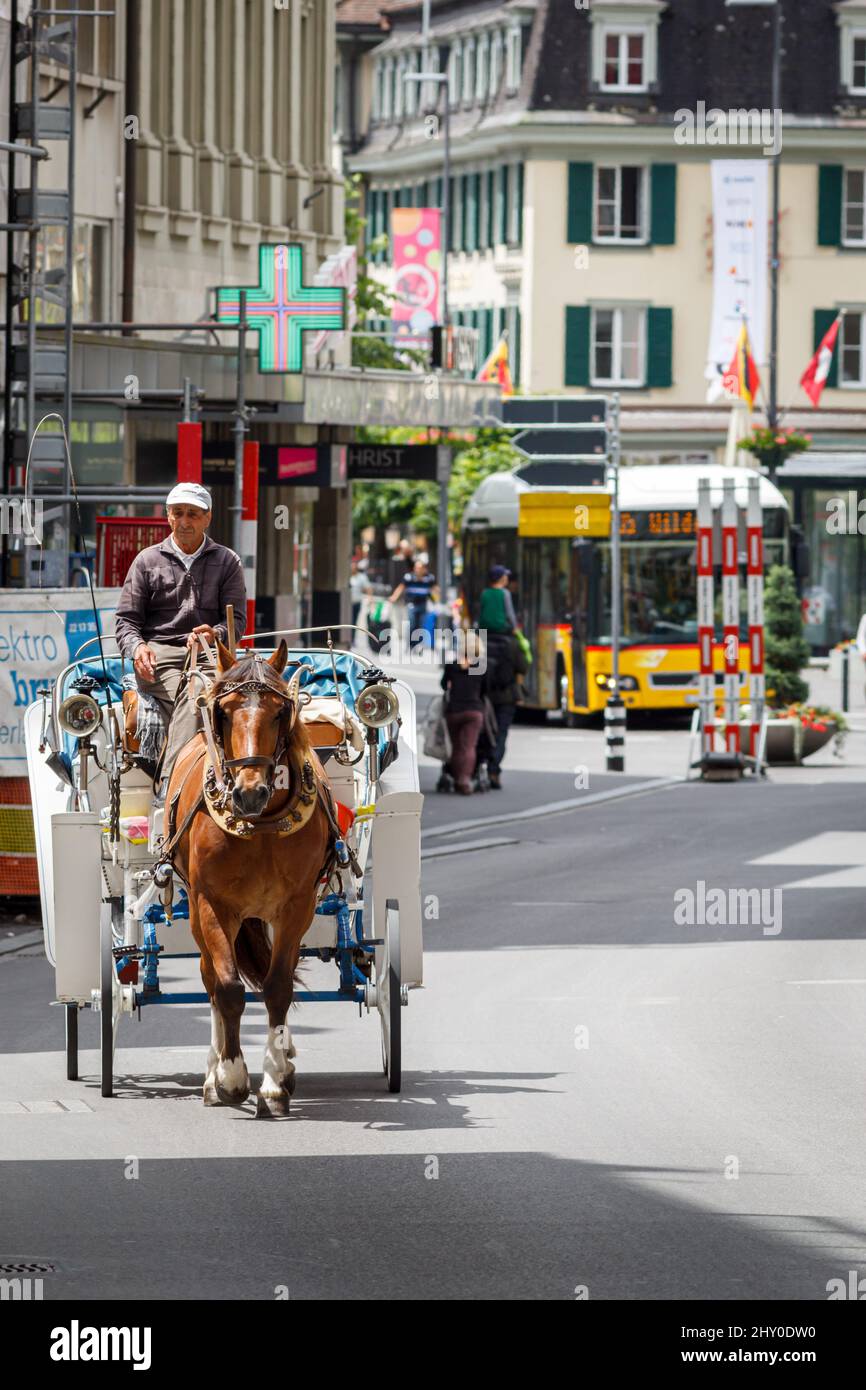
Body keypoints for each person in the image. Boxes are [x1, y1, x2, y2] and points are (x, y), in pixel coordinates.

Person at [114, 482, 247, 800]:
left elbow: (237, 623)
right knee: (199, 695)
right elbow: (126, 622)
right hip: (160, 654)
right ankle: (172, 790)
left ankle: (175, 785)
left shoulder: (228, 562)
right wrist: (138, 648)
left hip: (209, 654)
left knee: (223, 694)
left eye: (193, 514)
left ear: (207, 518)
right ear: (168, 517)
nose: (185, 521)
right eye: (178, 513)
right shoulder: (146, 561)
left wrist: (215, 634)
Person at [478, 630, 529, 789]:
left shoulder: (480, 639)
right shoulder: (513, 643)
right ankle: (494, 770)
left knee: (484, 732)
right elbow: (523, 667)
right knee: (501, 733)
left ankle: (480, 766)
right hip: (507, 697)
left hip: (485, 696)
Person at [440, 632, 487, 795]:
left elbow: (443, 685)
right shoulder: (481, 668)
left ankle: (455, 776)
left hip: (454, 711)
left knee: (456, 747)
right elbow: (485, 690)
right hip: (473, 711)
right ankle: (464, 780)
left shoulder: (452, 666)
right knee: (469, 747)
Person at [389, 559, 438, 651]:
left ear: (424, 569)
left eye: (420, 568)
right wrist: (394, 597)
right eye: (416, 568)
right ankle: (410, 644)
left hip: (423, 604)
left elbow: (435, 589)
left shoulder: (429, 578)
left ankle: (417, 644)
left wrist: (442, 598)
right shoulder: (409, 577)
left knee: (420, 625)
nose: (418, 570)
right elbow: (401, 587)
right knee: (412, 623)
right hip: (411, 604)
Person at [478, 565, 518, 634]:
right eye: (505, 575)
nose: (507, 577)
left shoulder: (484, 593)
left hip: (484, 630)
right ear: (501, 578)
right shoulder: (505, 593)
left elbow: (480, 612)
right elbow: (510, 613)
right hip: (501, 630)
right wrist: (515, 627)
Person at [349, 558, 370, 630]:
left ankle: (352, 639)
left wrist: (370, 599)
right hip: (348, 603)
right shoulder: (348, 576)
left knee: (354, 622)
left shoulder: (362, 577)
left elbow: (368, 588)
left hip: (357, 602)